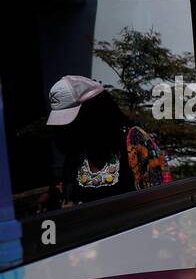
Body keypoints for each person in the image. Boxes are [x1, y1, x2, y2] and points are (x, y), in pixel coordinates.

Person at [46, 75, 170, 208]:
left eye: (75, 120)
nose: (69, 128)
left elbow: (161, 199)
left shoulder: (134, 140)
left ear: (95, 110)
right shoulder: (76, 153)